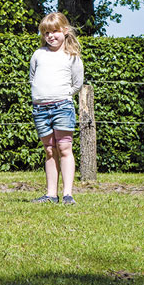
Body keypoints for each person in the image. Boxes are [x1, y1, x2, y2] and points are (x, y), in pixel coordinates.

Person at [29, 11, 84, 205]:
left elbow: (77, 83)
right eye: (46, 33)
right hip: (40, 108)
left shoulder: (72, 57)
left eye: (55, 31)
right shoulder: (38, 55)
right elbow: (33, 78)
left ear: (65, 31)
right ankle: (51, 194)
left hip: (62, 106)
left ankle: (67, 194)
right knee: (50, 150)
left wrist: (63, 94)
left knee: (64, 147)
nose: (51, 36)